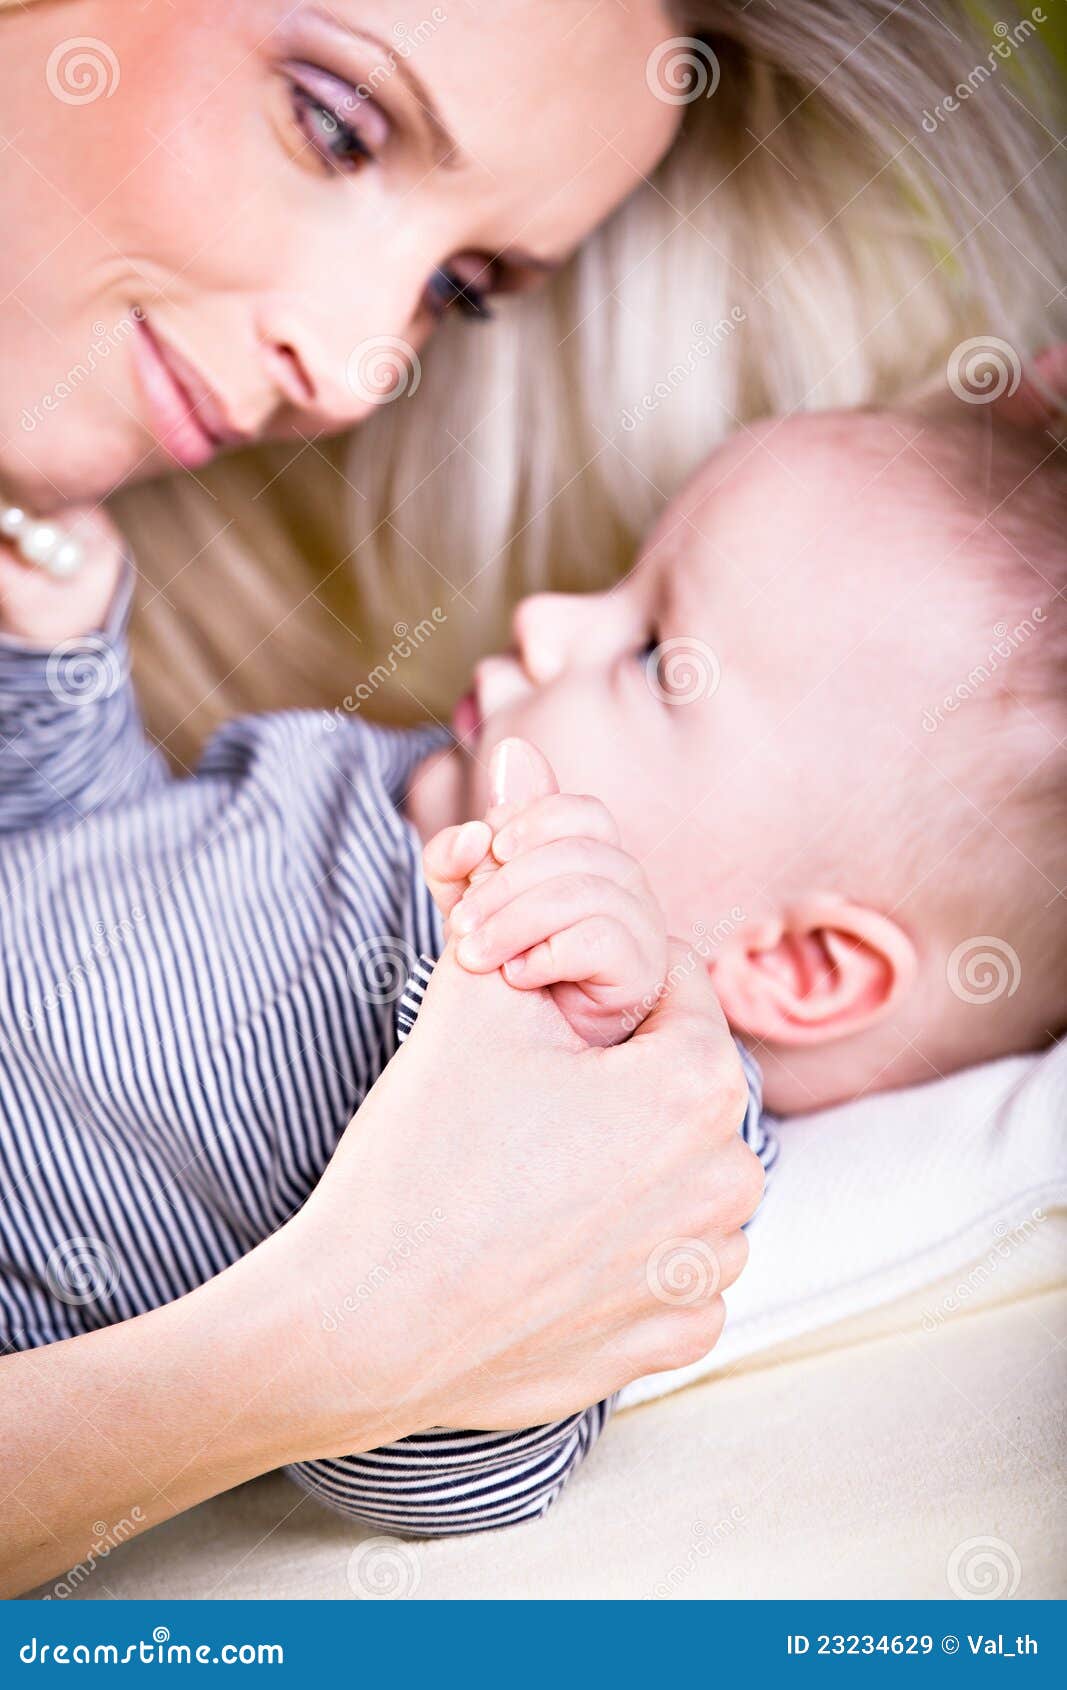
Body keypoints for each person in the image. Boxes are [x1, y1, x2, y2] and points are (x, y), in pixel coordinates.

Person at [0, 0, 1061, 1594]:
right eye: (340, 123)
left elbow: (457, 1429)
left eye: (651, 654)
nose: (361, 373)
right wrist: (61, 665)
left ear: (807, 964)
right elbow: (75, 854)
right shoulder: (366, 785)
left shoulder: (623, 1086)